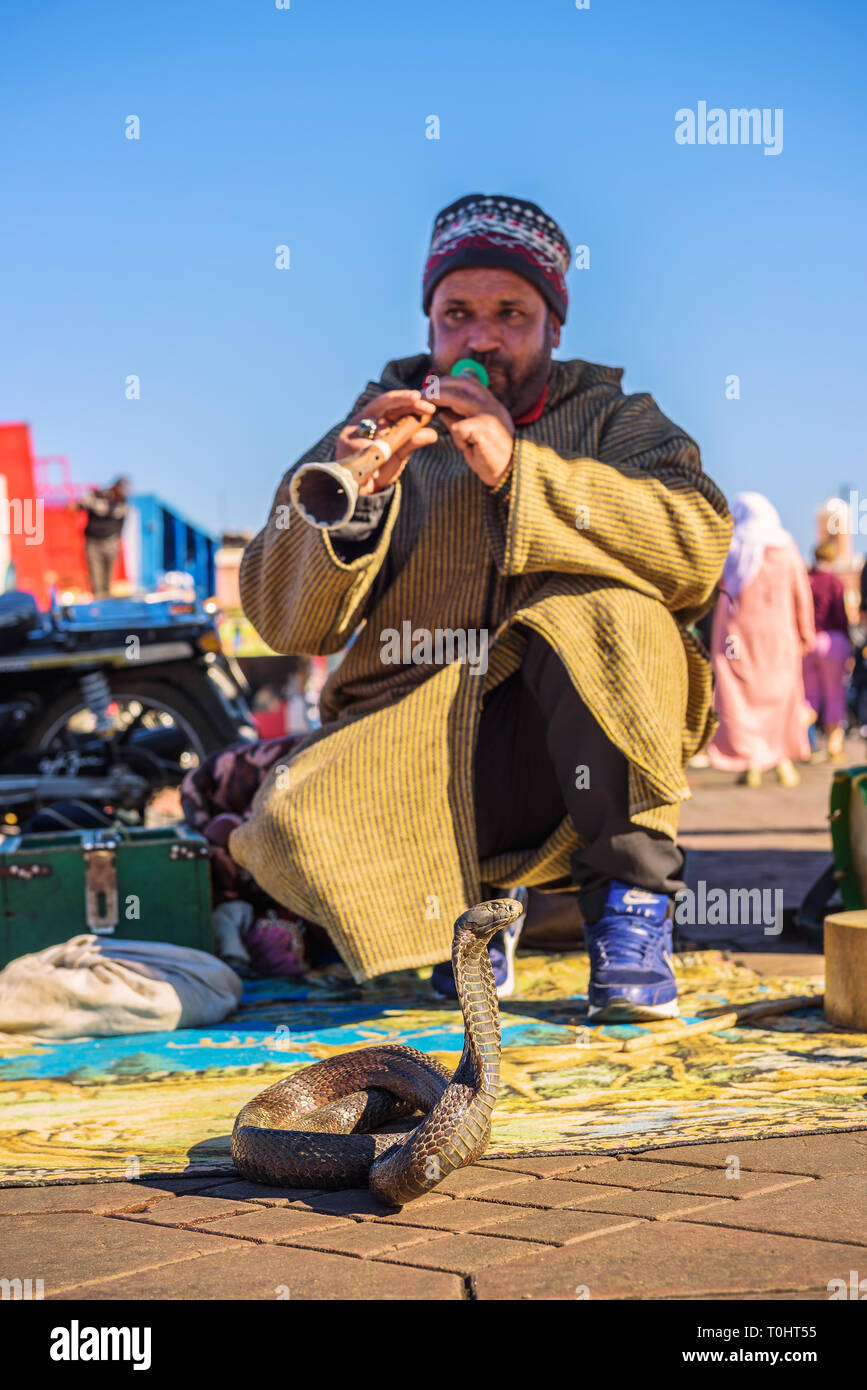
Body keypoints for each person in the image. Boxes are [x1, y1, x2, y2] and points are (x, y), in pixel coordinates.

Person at [231, 192, 732, 1021]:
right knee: (286, 817)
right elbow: (287, 623)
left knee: (603, 612)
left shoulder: (618, 421)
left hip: (576, 744)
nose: (481, 337)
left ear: (553, 328)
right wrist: (354, 505)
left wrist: (520, 472)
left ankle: (631, 909)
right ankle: (466, 912)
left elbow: (697, 549)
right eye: (457, 314)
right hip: (419, 747)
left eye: (511, 313)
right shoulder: (368, 428)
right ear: (429, 323)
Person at [707, 493, 815, 788]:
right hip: (780, 638)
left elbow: (712, 589)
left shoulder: (731, 547)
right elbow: (801, 594)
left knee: (743, 701)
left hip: (736, 639)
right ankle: (782, 762)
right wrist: (806, 633)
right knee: (780, 699)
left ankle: (753, 760)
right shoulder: (786, 548)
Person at [803, 541, 851, 761]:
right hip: (831, 640)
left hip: (807, 641)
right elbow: (840, 616)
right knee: (834, 695)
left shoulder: (805, 580)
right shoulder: (833, 582)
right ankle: (834, 746)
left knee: (808, 697)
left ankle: (800, 743)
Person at [76, 475, 131, 598]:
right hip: (93, 542)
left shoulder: (122, 503)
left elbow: (120, 523)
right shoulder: (97, 495)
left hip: (111, 542)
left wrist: (117, 542)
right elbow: (80, 505)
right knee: (96, 575)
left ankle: (106, 599)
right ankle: (99, 600)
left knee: (108, 576)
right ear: (116, 486)